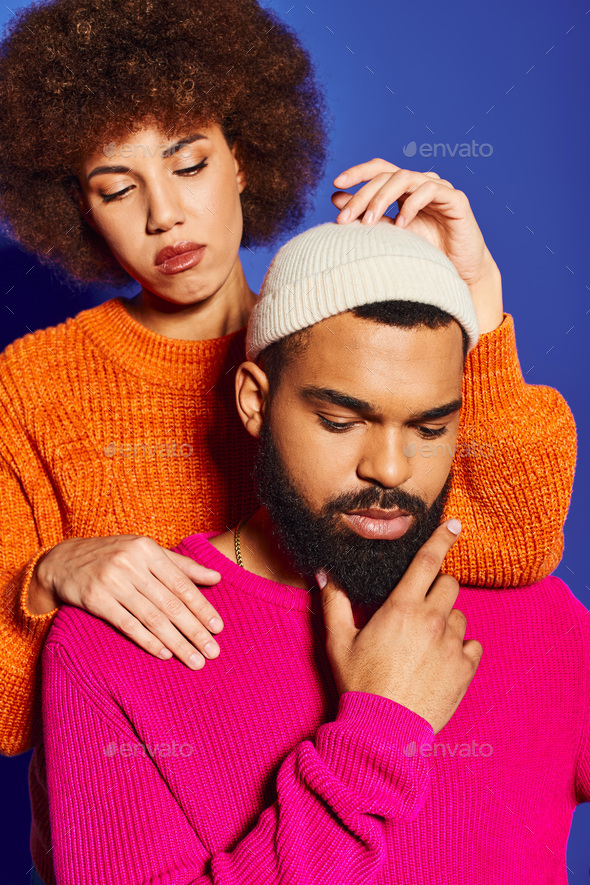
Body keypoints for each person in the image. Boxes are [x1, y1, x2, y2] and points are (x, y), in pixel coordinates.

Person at [0, 0, 575, 882]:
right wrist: (47, 575)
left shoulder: (344, 332)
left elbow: (509, 548)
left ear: (246, 156)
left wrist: (476, 317)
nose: (164, 215)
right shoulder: (36, 385)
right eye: (117, 187)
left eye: (189, 163)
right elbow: (12, 709)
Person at [42, 221, 588, 884]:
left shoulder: (542, 619)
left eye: (430, 425)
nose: (390, 468)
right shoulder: (118, 641)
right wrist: (376, 740)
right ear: (254, 401)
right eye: (341, 420)